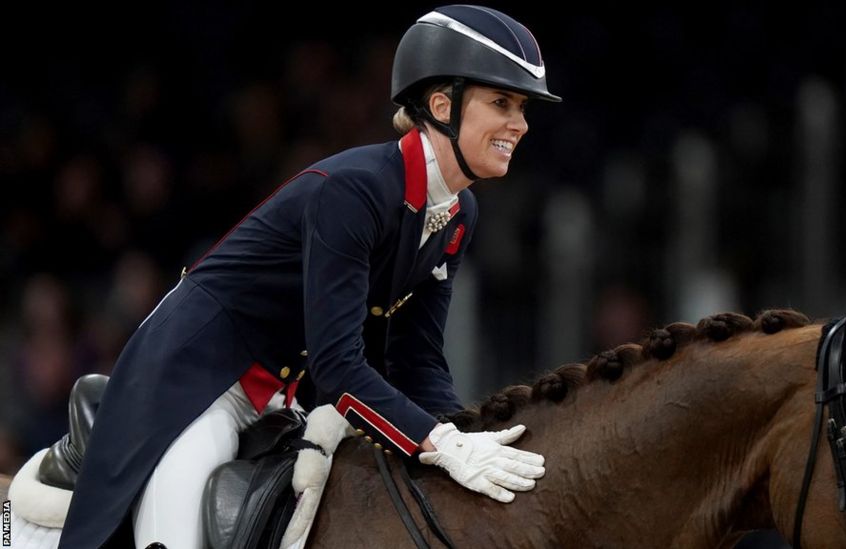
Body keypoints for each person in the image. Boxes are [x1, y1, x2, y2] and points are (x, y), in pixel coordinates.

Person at [58, 4, 561, 549]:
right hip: (193, 382)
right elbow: (339, 365)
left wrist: (466, 433)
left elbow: (416, 358)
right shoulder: (354, 191)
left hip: (279, 396)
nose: (521, 123)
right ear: (442, 105)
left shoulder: (458, 213)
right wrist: (438, 442)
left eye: (524, 107)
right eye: (503, 102)